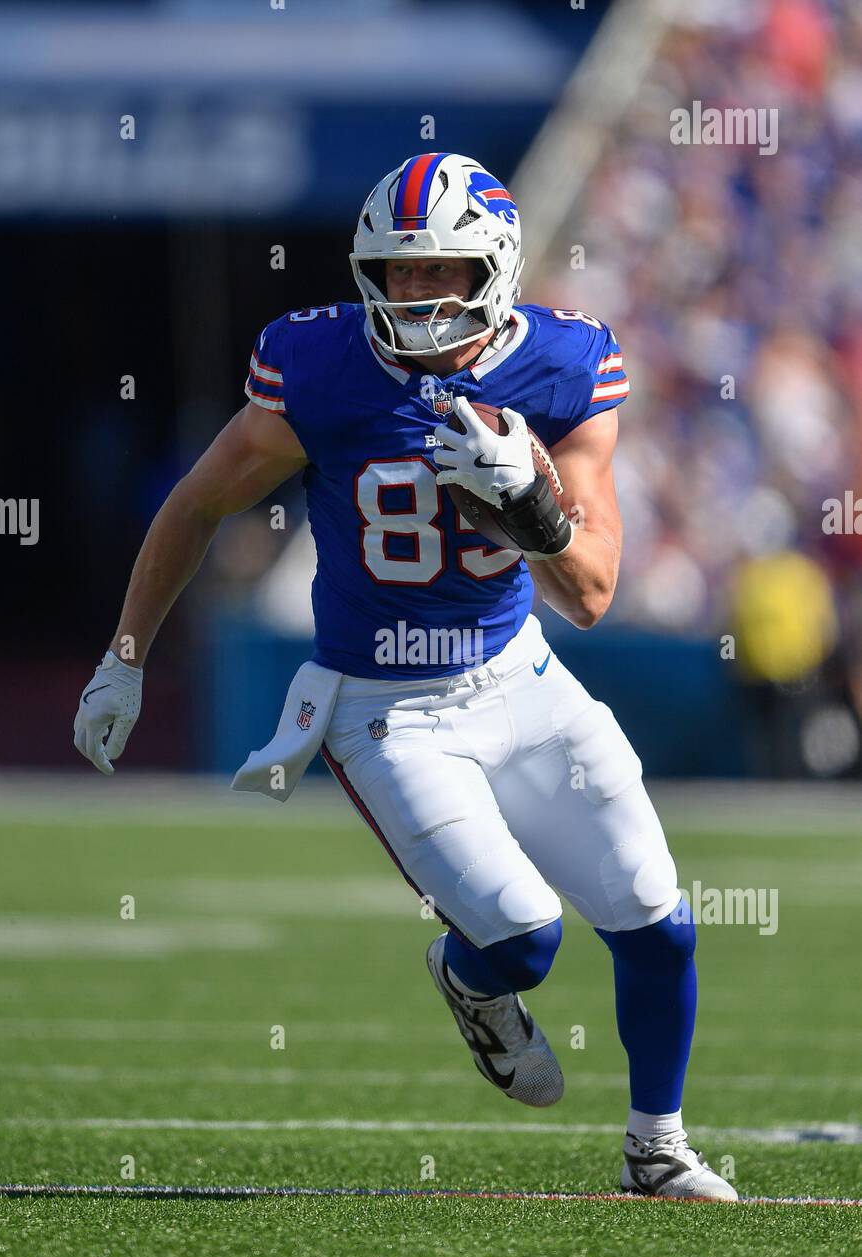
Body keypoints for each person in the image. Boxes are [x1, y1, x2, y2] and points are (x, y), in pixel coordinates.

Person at [74, 152, 737, 1201]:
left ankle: (655, 1148)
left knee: (657, 919)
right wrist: (124, 658)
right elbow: (198, 503)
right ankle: (469, 983)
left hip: (519, 676)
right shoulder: (321, 365)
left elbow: (592, 592)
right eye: (393, 271)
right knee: (521, 941)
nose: (413, 294)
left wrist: (533, 511)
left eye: (438, 272)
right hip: (385, 708)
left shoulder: (562, 368)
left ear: (495, 267)